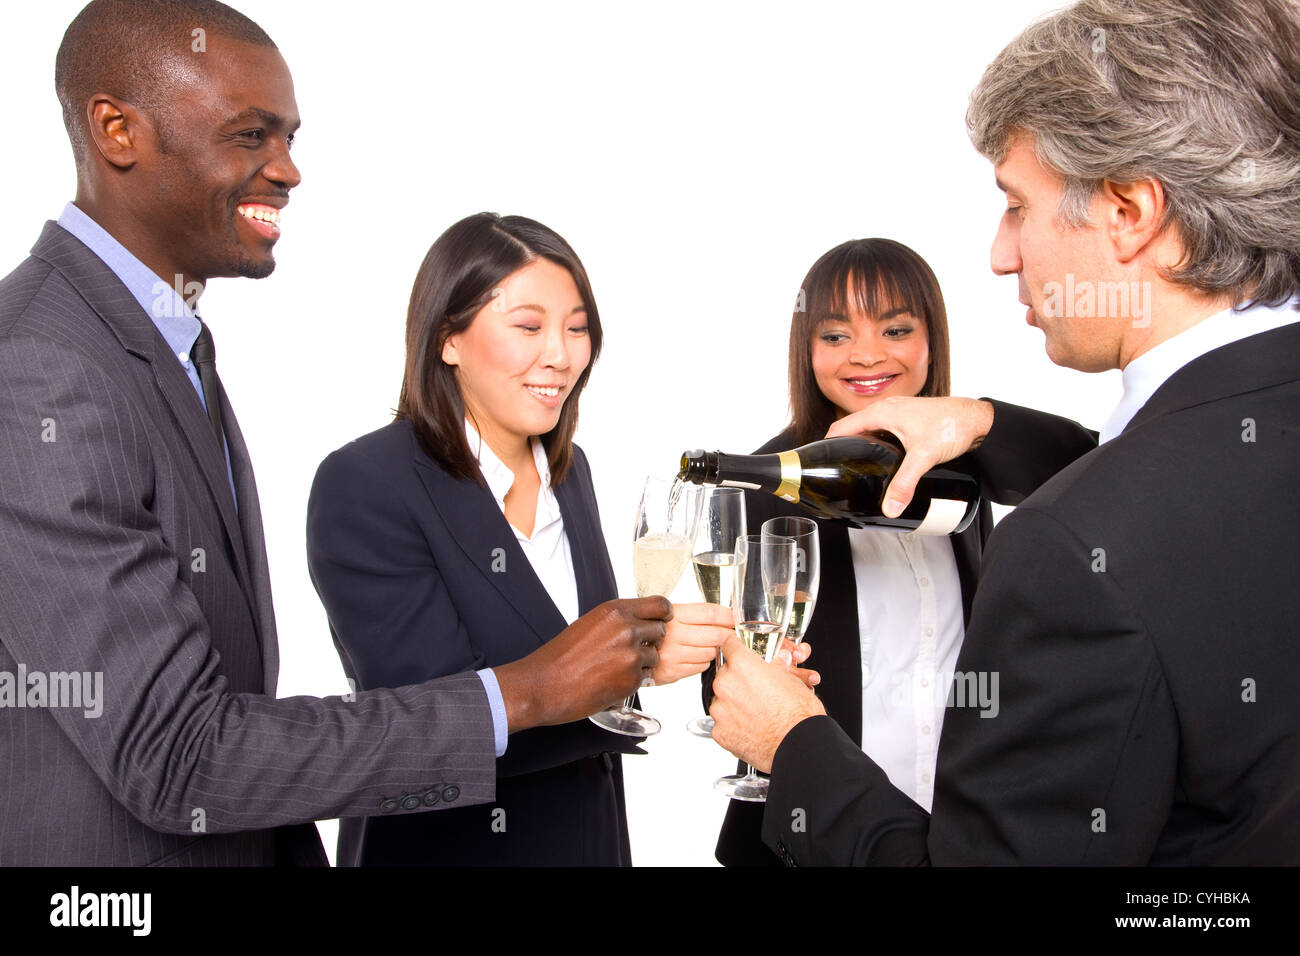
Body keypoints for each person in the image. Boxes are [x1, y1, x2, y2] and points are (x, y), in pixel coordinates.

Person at [0, 0, 669, 866]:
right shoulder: (39, 365)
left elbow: (226, 694)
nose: (288, 170)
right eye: (251, 136)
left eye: (289, 137)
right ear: (117, 131)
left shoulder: (169, 340)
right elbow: (176, 754)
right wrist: (527, 692)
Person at [709, 0, 1300, 865]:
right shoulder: (1227, 444)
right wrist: (980, 419)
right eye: (835, 332)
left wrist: (793, 742)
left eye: (1016, 204)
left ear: (1131, 209)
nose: (998, 252)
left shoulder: (1070, 550)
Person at [306, 213, 731, 866]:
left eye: (578, 328)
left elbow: (584, 671)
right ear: (447, 338)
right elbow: (431, 730)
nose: (561, 355)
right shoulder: (367, 484)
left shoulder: (571, 471)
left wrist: (647, 668)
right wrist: (635, 663)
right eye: (529, 327)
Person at [704, 238, 994, 866]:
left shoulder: (965, 482)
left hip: (947, 835)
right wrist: (758, 667)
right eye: (835, 336)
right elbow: (721, 679)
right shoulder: (764, 488)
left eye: (895, 328)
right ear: (806, 351)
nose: (867, 354)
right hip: (811, 836)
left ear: (930, 341)